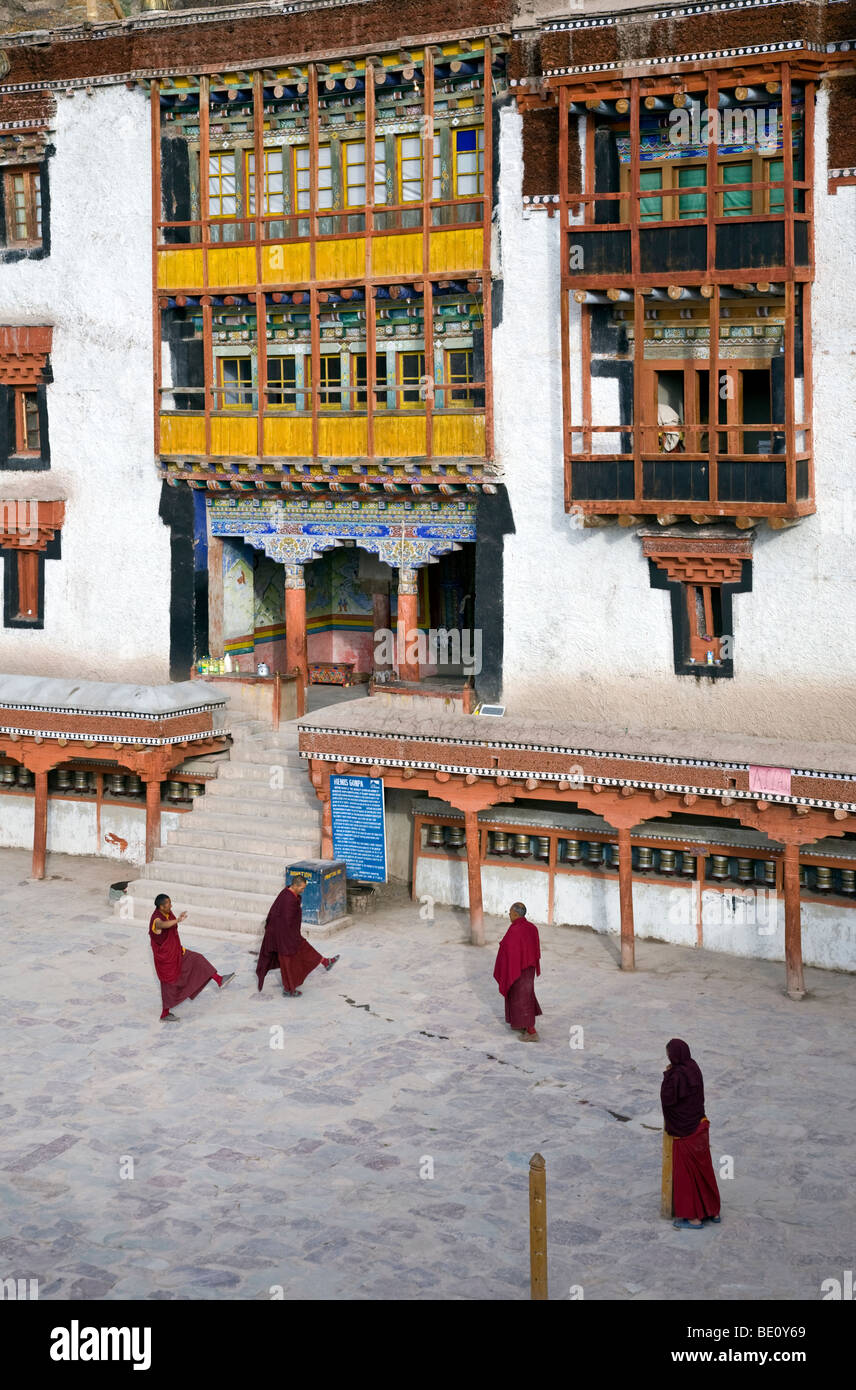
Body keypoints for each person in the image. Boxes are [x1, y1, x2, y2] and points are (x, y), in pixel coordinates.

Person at [660, 1038, 722, 1229]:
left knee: (686, 1175)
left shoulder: (677, 1075)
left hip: (684, 1130)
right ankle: (713, 1211)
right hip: (700, 1125)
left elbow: (668, 1099)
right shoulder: (694, 1067)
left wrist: (667, 1075)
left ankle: (693, 1218)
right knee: (704, 1170)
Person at [149, 894, 234, 1023]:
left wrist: (177, 919)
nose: (171, 906)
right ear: (161, 907)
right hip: (166, 958)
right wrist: (177, 920)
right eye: (168, 904)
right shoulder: (156, 920)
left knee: (198, 959)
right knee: (168, 984)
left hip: (177, 952)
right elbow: (163, 925)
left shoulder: (167, 913)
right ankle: (164, 1013)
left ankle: (219, 980)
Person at [256, 876, 339, 997]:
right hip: (283, 937)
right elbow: (285, 920)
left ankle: (325, 962)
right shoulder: (288, 899)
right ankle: (289, 989)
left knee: (305, 949)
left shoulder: (286, 893)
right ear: (295, 885)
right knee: (287, 963)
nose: (303, 890)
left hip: (288, 934)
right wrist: (289, 939)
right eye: (302, 888)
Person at [493, 901, 542, 1041]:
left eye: (510, 912)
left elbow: (508, 948)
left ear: (515, 914)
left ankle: (532, 1032)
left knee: (522, 999)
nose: (509, 915)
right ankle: (520, 1024)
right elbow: (535, 949)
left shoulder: (515, 929)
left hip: (517, 970)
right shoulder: (532, 928)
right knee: (523, 996)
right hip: (529, 968)